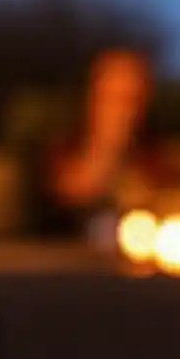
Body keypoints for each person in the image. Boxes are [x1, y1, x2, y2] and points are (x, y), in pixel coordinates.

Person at [37, 49, 164, 235]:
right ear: (92, 96)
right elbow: (68, 196)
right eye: (111, 98)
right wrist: (107, 147)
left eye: (130, 99)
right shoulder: (59, 149)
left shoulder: (153, 156)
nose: (121, 111)